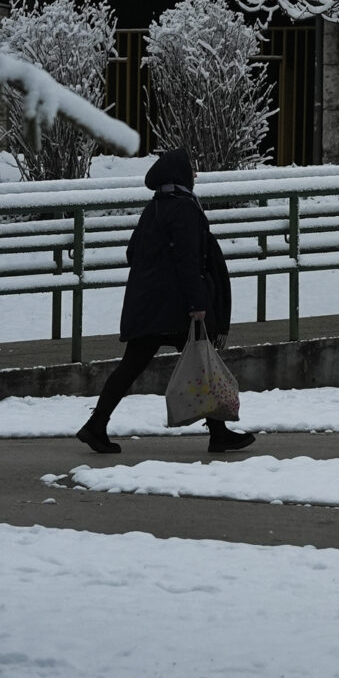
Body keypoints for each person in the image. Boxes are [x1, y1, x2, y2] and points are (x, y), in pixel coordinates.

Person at [77, 148, 254, 454]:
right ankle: (219, 433)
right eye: (192, 169)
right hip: (175, 309)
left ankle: (96, 425)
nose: (195, 175)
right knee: (202, 361)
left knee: (135, 365)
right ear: (180, 173)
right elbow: (188, 260)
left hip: (151, 307)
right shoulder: (184, 207)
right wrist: (198, 304)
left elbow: (133, 253)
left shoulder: (156, 206)